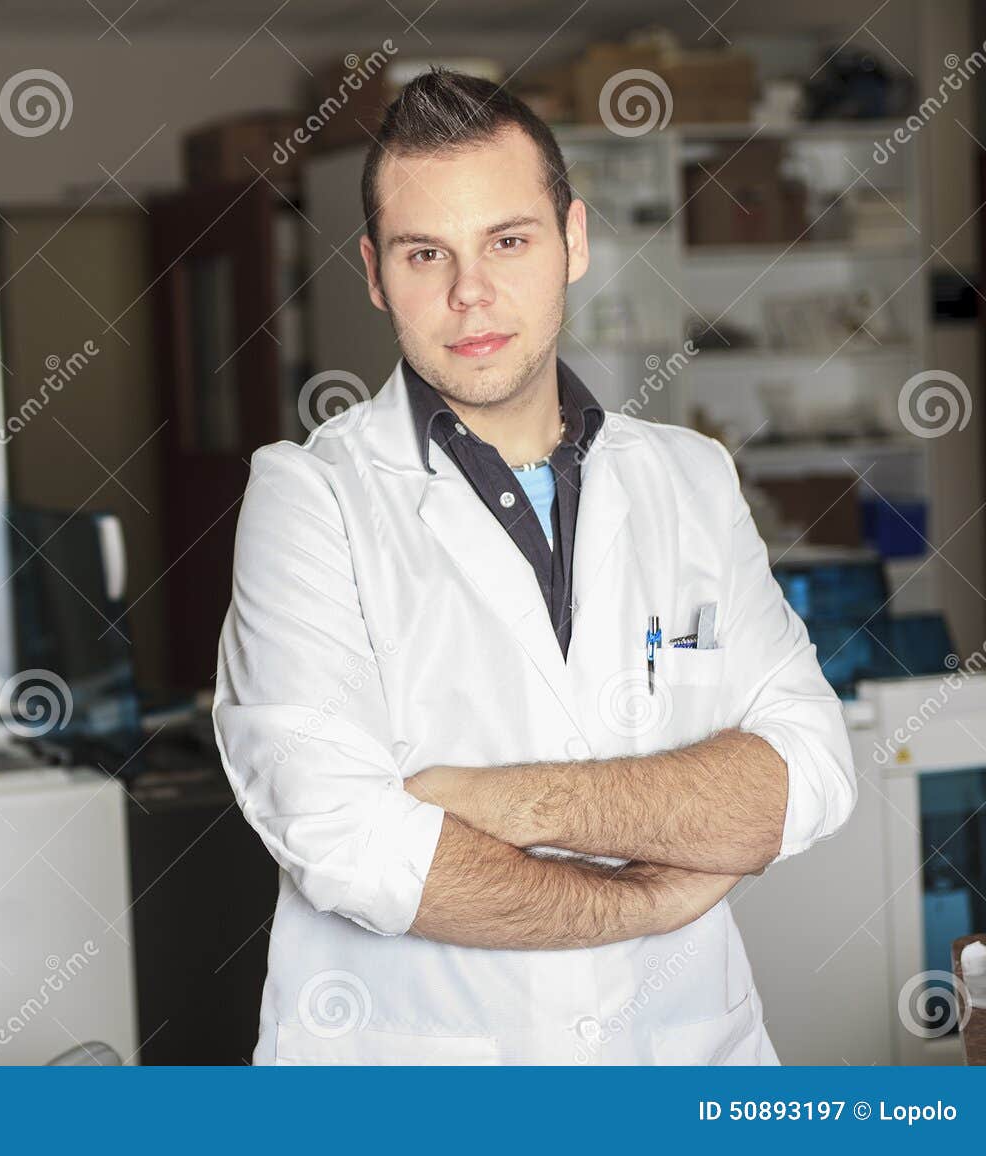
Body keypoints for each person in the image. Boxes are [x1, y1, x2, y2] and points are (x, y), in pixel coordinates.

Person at [213, 71, 855, 1065]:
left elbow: (808, 770)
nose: (470, 293)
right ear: (376, 273)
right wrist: (652, 887)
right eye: (428, 254)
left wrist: (504, 801)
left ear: (574, 242)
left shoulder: (688, 478)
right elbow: (345, 839)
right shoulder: (310, 501)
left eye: (508, 241)